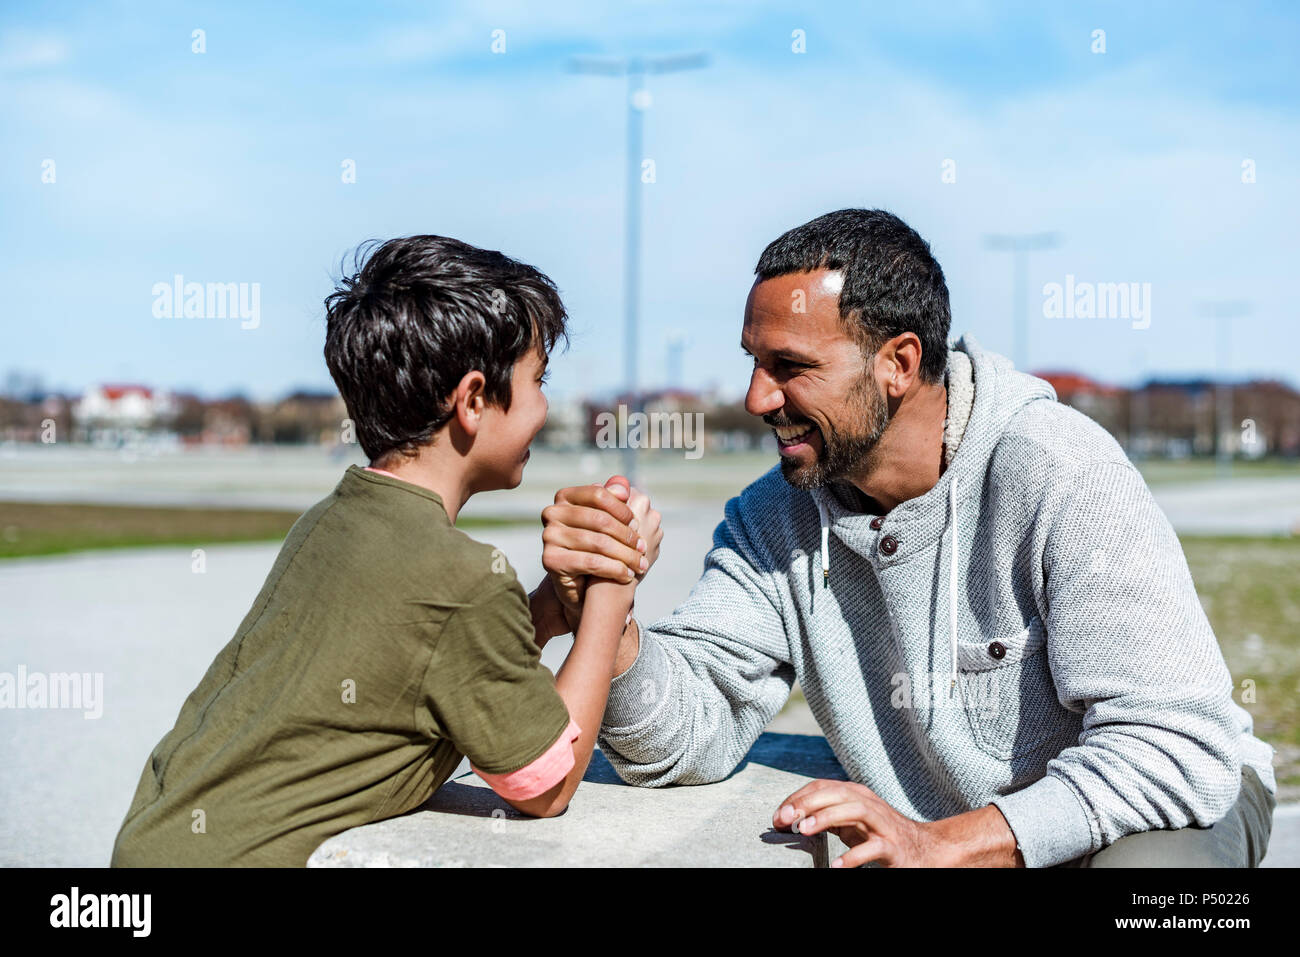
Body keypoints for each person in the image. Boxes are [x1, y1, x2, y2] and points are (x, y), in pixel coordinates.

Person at [540, 208, 1277, 868]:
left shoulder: (1061, 471)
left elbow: (1175, 747)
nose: (757, 398)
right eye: (754, 362)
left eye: (790, 367)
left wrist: (945, 842)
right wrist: (614, 616)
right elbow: (686, 736)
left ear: (898, 362)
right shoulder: (775, 516)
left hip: (1154, 807)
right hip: (960, 824)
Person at [111, 235, 662, 866]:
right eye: (539, 380)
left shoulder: (330, 521)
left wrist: (547, 609)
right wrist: (613, 593)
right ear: (474, 400)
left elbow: (424, 657)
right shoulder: (463, 580)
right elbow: (547, 785)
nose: (544, 405)